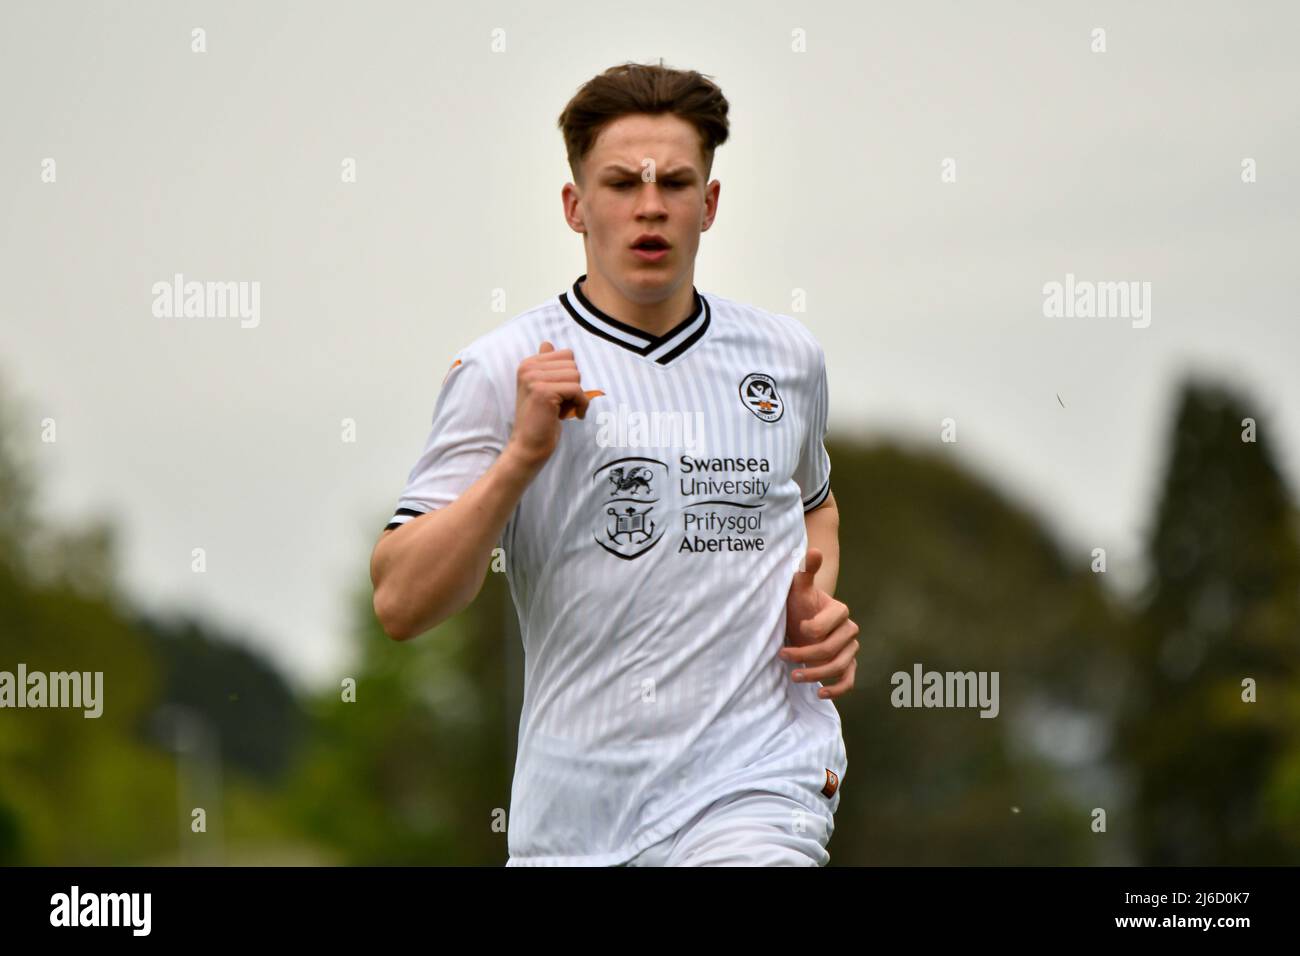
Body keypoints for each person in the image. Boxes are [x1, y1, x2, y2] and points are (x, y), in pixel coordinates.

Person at [370, 61, 860, 866]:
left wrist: (812, 612)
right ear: (575, 206)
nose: (650, 205)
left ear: (709, 204)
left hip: (758, 786)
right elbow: (401, 601)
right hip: (576, 821)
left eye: (675, 182)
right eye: (621, 183)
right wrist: (521, 458)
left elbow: (814, 506)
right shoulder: (500, 371)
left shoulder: (787, 359)